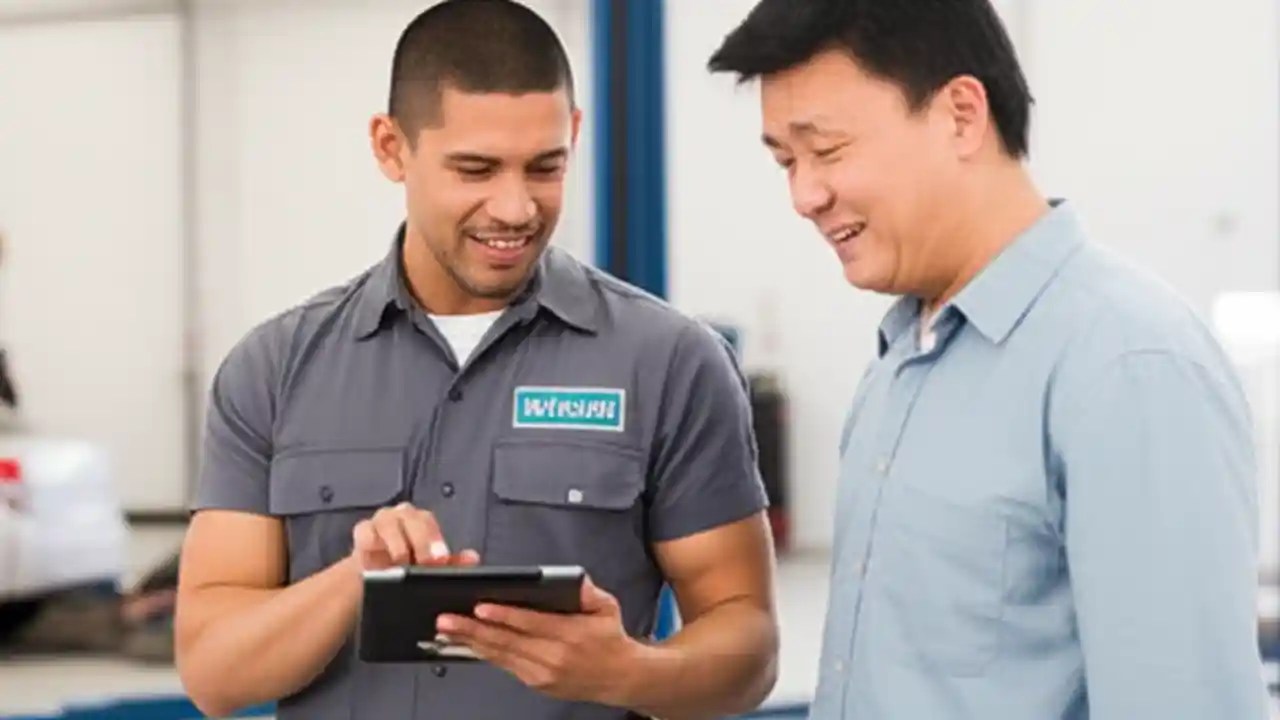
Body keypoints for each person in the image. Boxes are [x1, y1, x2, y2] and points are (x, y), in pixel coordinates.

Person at [175, 1, 779, 719]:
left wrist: (625, 671)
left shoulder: (671, 363)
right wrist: (356, 581)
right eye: (476, 169)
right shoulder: (273, 370)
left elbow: (751, 645)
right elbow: (214, 674)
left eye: (545, 166)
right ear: (390, 147)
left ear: (575, 135)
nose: (515, 207)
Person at [708, 1, 1271, 718]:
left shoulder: (1127, 366)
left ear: (961, 116)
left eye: (828, 150)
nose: (804, 195)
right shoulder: (900, 361)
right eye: (785, 161)